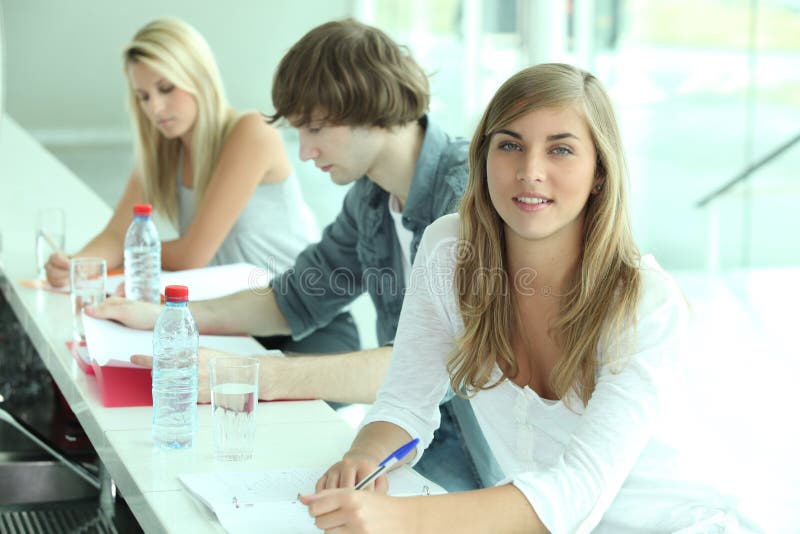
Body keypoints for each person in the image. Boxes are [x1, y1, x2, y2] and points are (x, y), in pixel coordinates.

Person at [300, 63, 760, 533]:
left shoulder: (644, 302)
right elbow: (405, 402)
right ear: (484, 158)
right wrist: (363, 458)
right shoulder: (448, 252)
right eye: (510, 145)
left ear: (599, 171)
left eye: (560, 149)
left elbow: (577, 490)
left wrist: (398, 519)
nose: (530, 171)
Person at [87, 19, 496, 491]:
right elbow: (294, 298)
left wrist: (251, 374)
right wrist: (168, 314)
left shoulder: (466, 197)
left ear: (371, 106)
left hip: (475, 450)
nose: (303, 152)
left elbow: (430, 366)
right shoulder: (370, 198)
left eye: (316, 128)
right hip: (404, 432)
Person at [44, 18, 358, 353]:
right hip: (229, 320)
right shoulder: (162, 150)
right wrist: (77, 265)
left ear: (197, 77)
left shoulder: (251, 132)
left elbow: (192, 254)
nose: (155, 108)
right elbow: (117, 233)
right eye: (143, 96)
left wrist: (128, 253)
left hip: (306, 325)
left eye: (166, 89)